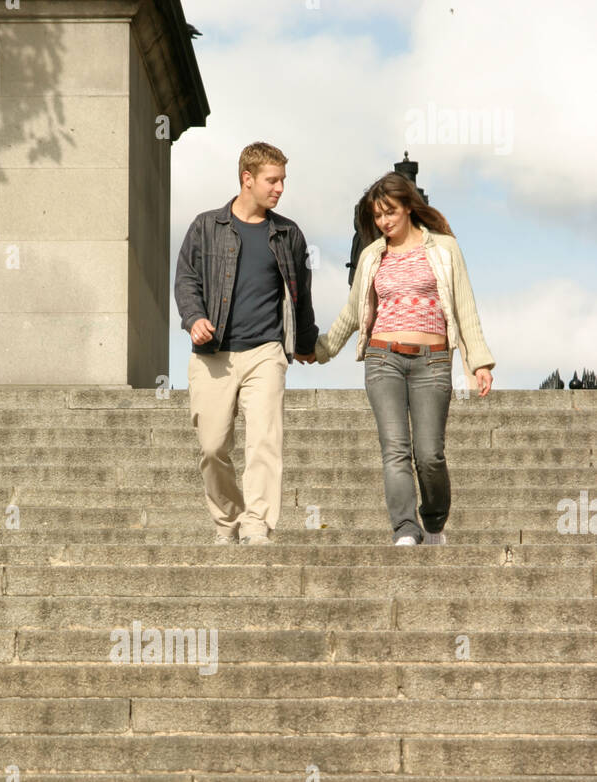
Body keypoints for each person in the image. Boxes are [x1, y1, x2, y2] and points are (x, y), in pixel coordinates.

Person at [312, 172, 495, 545]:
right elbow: (353, 312)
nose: (384, 222)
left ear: (409, 207)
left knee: (429, 455)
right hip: (383, 360)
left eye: (390, 213)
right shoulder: (371, 256)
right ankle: (405, 529)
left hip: (433, 361)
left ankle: (433, 522)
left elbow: (464, 305)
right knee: (394, 450)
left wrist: (479, 362)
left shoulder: (444, 249)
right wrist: (321, 349)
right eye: (378, 216)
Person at [174, 142, 318, 545]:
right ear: (247, 179)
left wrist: (304, 343)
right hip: (213, 353)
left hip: (265, 352)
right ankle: (228, 521)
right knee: (213, 447)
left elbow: (300, 295)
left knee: (264, 442)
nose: (279, 189)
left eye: (283, 181)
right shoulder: (205, 226)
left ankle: (257, 525)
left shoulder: (288, 234)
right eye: (272, 181)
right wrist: (194, 318)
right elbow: (186, 279)